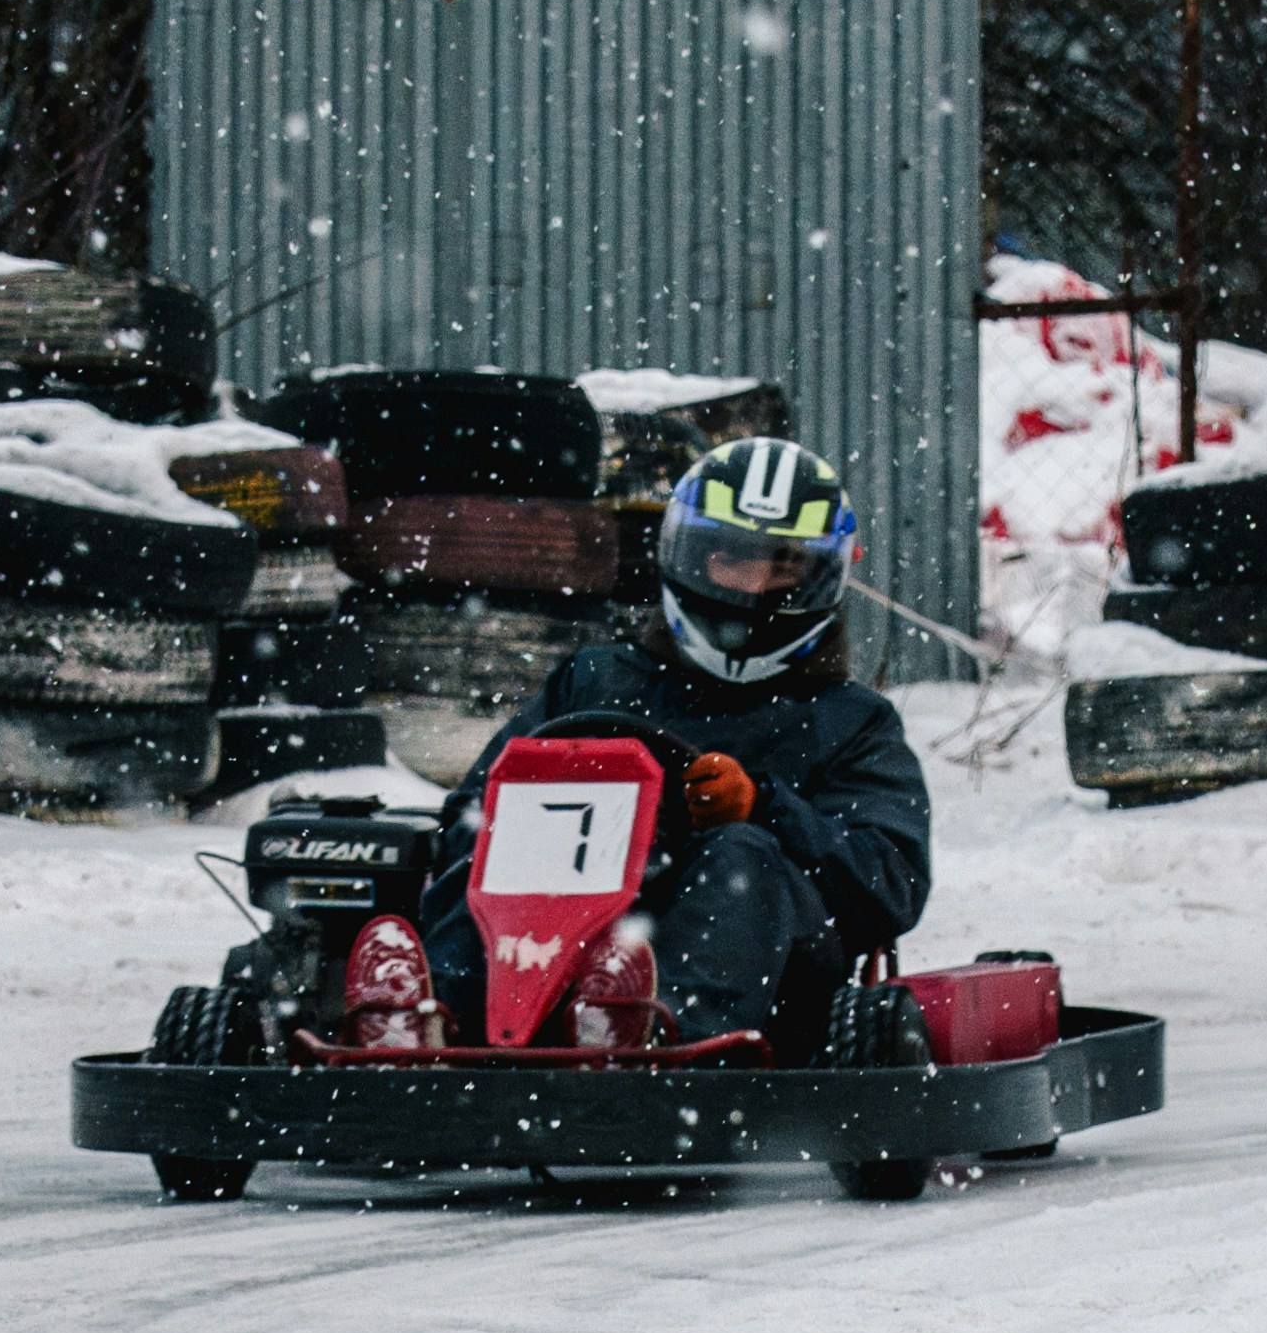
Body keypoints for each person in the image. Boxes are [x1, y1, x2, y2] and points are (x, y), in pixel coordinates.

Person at [389, 432, 936, 1053]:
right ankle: (428, 1028)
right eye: (731, 559)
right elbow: (469, 816)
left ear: (822, 576)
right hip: (562, 944)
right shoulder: (596, 682)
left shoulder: (851, 720)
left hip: (770, 981)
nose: (752, 587)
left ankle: (656, 1036)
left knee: (740, 853)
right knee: (501, 844)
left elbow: (891, 886)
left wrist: (764, 807)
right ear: (686, 555)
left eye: (782, 565)